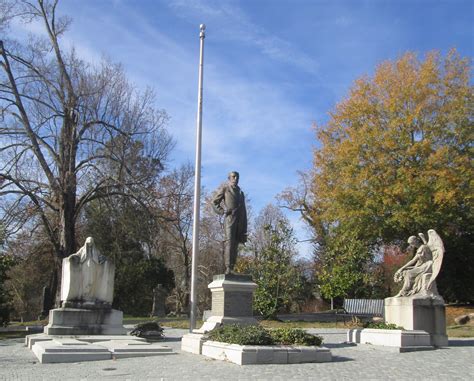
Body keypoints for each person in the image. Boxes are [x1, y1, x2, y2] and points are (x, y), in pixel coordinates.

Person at [212, 171, 247, 274]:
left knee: (235, 244)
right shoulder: (225, 189)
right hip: (230, 219)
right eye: (233, 176)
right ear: (229, 178)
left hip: (240, 221)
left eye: (237, 177)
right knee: (229, 242)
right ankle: (228, 268)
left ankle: (233, 267)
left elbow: (244, 211)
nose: (235, 178)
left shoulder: (241, 193)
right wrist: (222, 211)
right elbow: (214, 202)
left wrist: (244, 228)